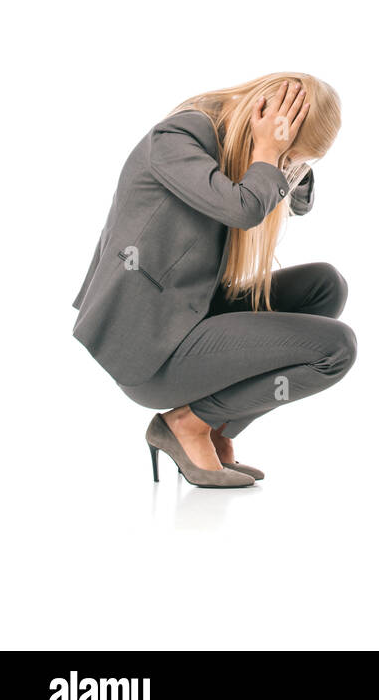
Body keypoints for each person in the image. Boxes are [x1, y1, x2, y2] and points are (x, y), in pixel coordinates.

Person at [72, 73, 356, 488]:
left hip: (192, 314)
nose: (285, 165)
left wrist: (286, 159)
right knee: (336, 349)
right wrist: (269, 150)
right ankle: (187, 424)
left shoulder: (243, 147)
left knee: (325, 286)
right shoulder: (177, 139)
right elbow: (243, 209)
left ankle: (216, 426)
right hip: (151, 348)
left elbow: (294, 202)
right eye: (288, 155)